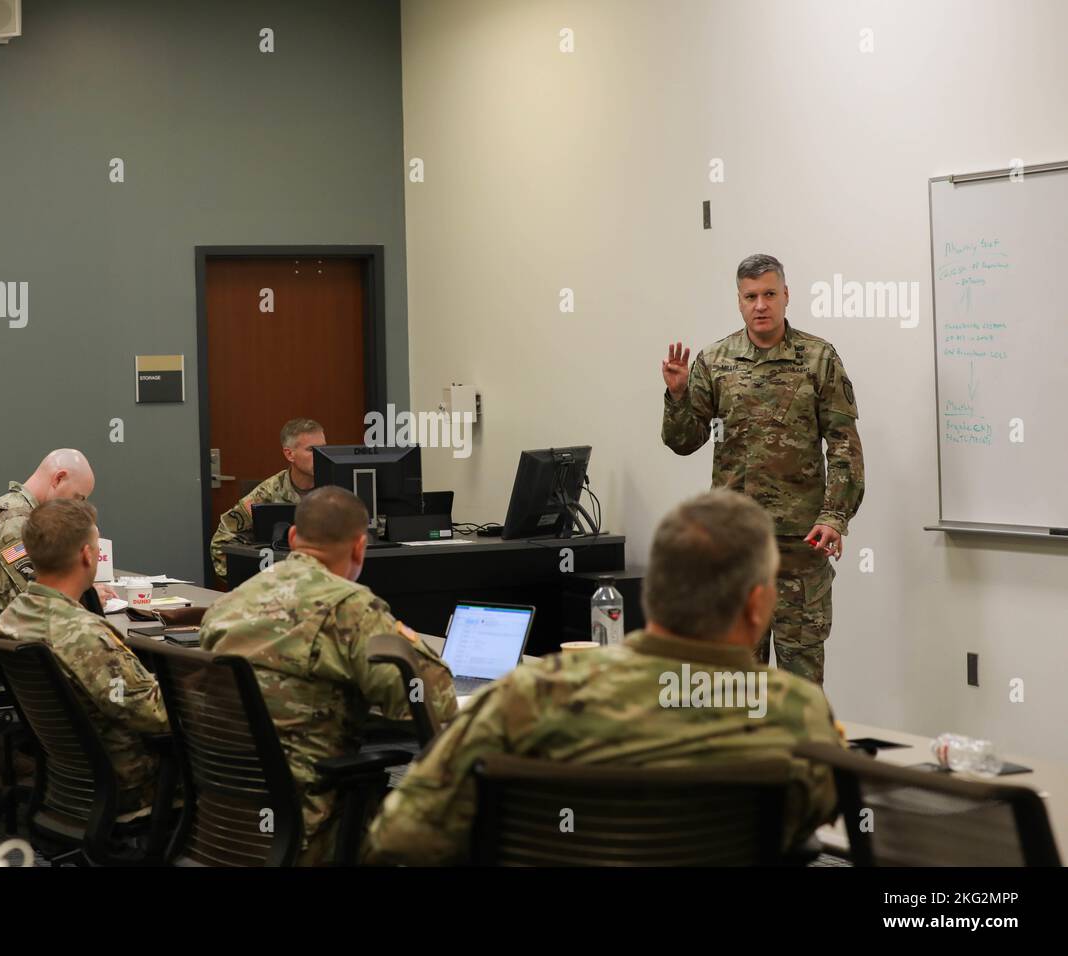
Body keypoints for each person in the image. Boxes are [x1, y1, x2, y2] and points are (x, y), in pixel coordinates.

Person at [365, 490, 842, 866]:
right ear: (758, 604)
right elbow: (815, 822)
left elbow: (401, 835)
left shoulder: (530, 695)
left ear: (650, 593)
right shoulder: (796, 715)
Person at [198, 485, 456, 863]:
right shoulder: (350, 608)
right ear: (359, 546)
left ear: (291, 537)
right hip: (312, 821)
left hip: (224, 817)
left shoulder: (227, 603)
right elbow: (431, 702)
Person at [661, 253, 866, 684]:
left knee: (799, 690)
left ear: (786, 296)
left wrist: (835, 516)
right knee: (736, 688)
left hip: (800, 550)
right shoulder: (715, 361)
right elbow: (683, 442)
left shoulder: (817, 359)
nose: (761, 305)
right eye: (751, 296)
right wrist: (678, 396)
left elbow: (844, 443)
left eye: (769, 294)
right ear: (739, 301)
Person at [0, 498, 168, 817]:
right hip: (129, 780)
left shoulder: (13, 616)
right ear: (89, 556)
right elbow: (157, 716)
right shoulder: (86, 635)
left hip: (69, 778)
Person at [0, 448, 113, 625]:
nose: (78, 506)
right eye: (78, 497)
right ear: (58, 479)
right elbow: (26, 606)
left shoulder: (16, 511)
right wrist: (85, 599)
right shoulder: (15, 521)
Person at [208, 418, 325, 583]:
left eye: (324, 449)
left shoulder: (337, 490)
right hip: (281, 584)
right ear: (289, 454)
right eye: (312, 450)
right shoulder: (267, 493)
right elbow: (222, 540)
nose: (321, 456)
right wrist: (248, 585)